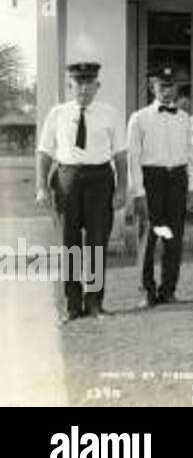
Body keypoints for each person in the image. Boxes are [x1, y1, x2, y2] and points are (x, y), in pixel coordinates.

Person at [35, 62, 128, 323]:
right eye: (79, 83)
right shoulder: (57, 114)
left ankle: (95, 302)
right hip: (67, 180)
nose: (84, 89)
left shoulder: (110, 114)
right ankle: (73, 305)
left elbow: (120, 155)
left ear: (97, 86)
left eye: (89, 83)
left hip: (100, 180)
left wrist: (121, 188)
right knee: (70, 244)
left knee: (97, 243)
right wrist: (41, 185)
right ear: (70, 85)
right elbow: (44, 152)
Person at [127, 66, 193, 307]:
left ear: (177, 88)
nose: (166, 92)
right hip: (151, 179)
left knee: (174, 237)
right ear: (152, 88)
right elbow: (133, 157)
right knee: (149, 237)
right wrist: (138, 191)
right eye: (161, 87)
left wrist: (192, 187)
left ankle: (168, 290)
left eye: (171, 86)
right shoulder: (139, 118)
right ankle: (146, 290)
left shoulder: (187, 119)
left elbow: (192, 154)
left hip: (177, 179)